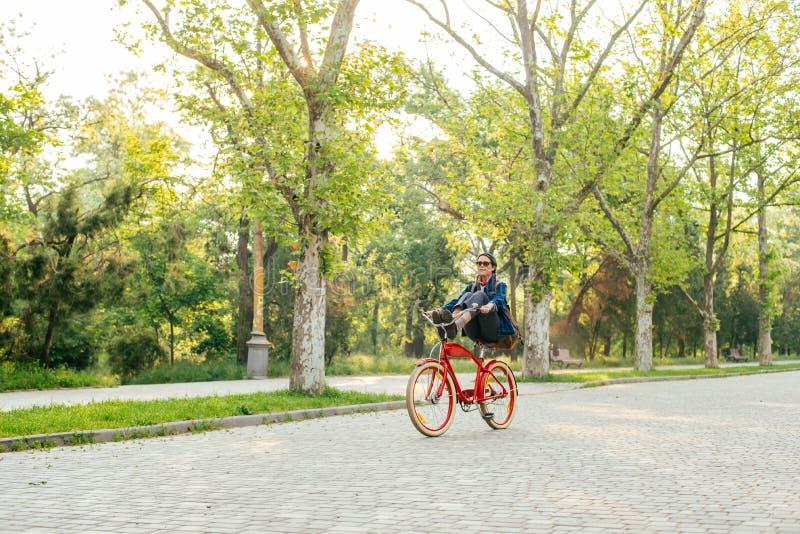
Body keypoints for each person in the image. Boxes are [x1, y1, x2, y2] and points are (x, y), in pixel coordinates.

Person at [427, 252, 516, 344]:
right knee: (467, 294)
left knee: (480, 295)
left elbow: (500, 299)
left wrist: (490, 305)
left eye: (485, 263)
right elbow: (457, 301)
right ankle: (451, 324)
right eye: (479, 263)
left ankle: (456, 325)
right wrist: (440, 310)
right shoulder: (471, 287)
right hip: (475, 332)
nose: (481, 265)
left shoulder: (500, 285)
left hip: (494, 332)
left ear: (493, 267)